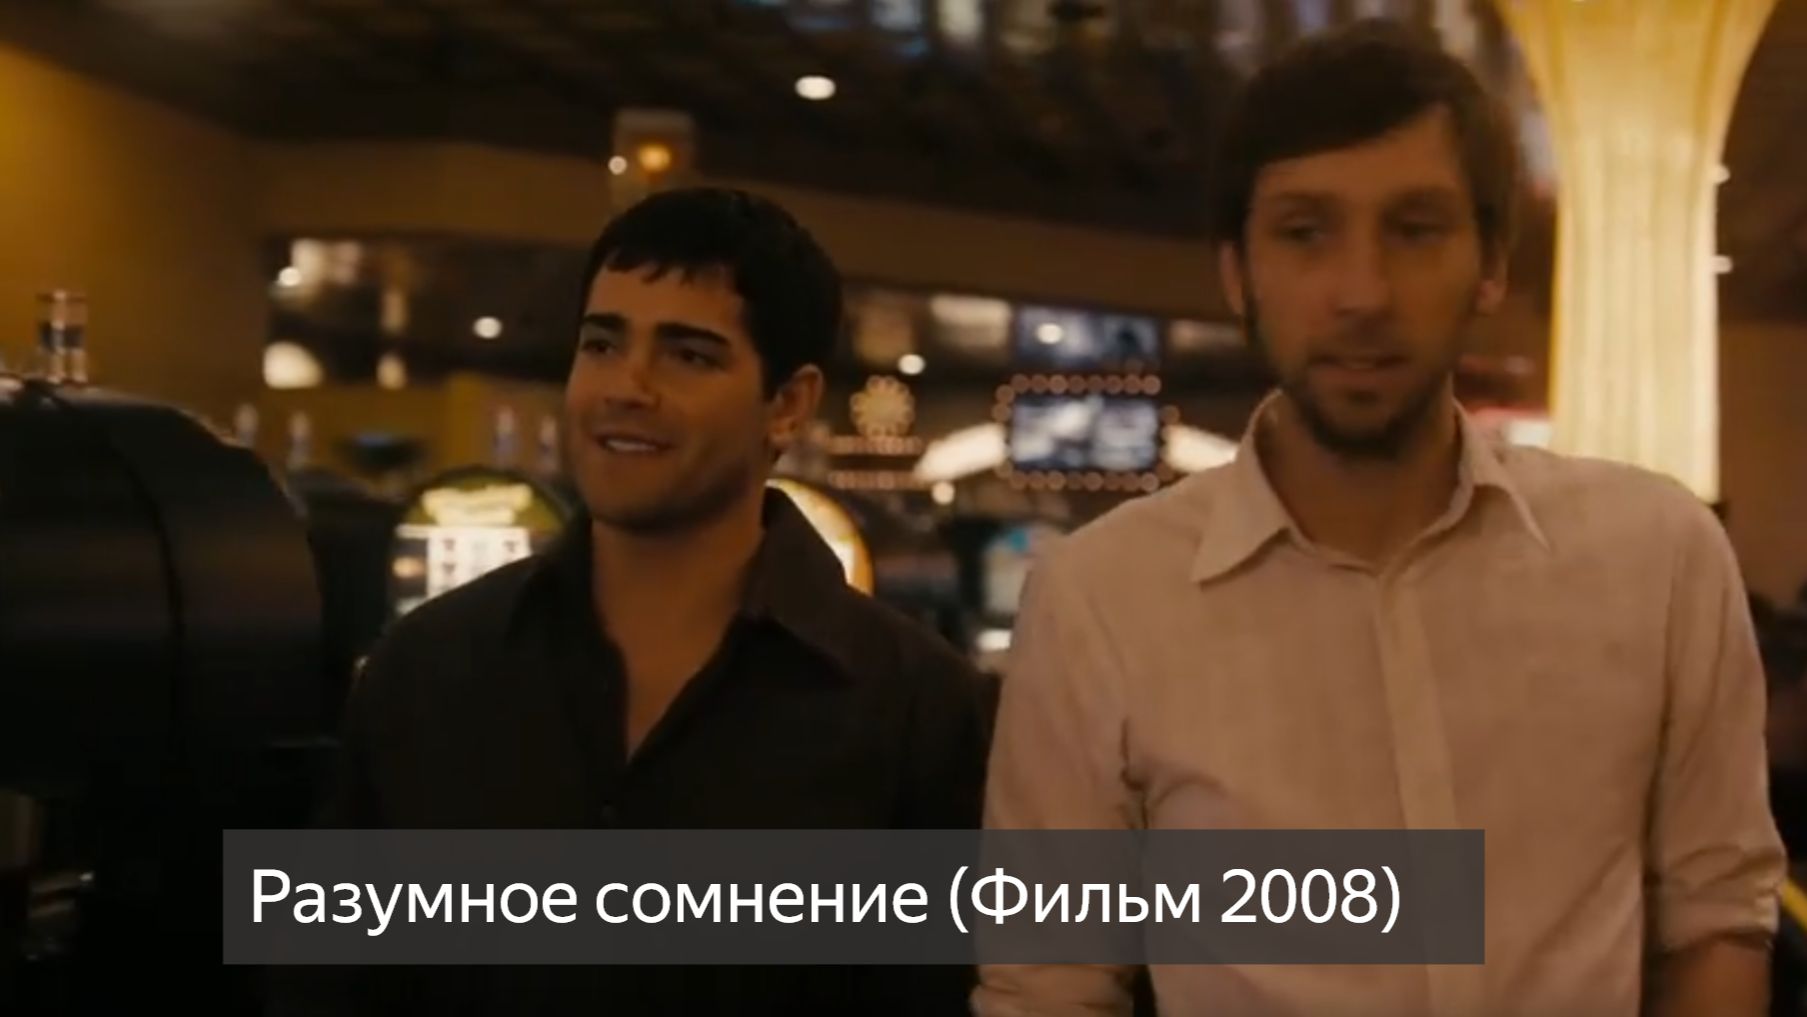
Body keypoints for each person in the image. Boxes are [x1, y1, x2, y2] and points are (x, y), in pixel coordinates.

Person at [977, 20, 1783, 1017]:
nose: (1361, 293)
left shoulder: (1655, 556)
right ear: (1236, 273)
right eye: (1304, 232)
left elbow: (1712, 920)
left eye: (1415, 229)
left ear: (1490, 262)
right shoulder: (1102, 597)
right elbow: (1048, 981)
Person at [277, 187, 992, 1015]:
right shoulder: (430, 664)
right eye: (602, 344)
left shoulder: (915, 707)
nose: (626, 386)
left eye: (688, 355)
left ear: (787, 404)